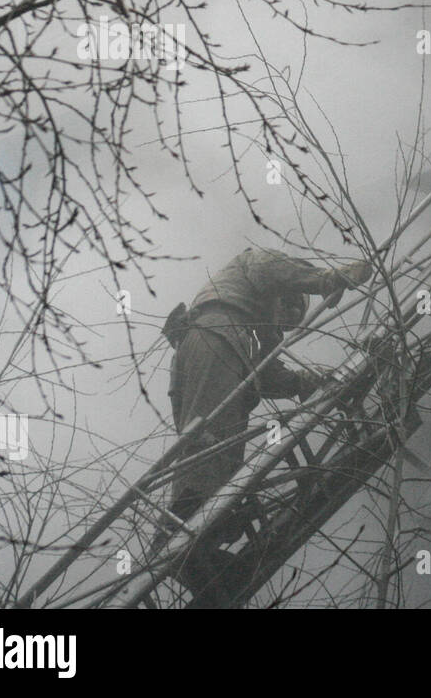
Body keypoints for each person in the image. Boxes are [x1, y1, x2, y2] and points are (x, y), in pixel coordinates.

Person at [158, 247, 373, 605]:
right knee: (212, 446)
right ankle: (180, 538)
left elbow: (270, 375)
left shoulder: (254, 322)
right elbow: (273, 270)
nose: (287, 318)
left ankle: (199, 546)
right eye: (289, 308)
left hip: (208, 348)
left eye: (292, 320)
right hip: (217, 340)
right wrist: (330, 279)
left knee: (213, 450)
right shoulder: (253, 267)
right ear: (283, 294)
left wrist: (311, 381)